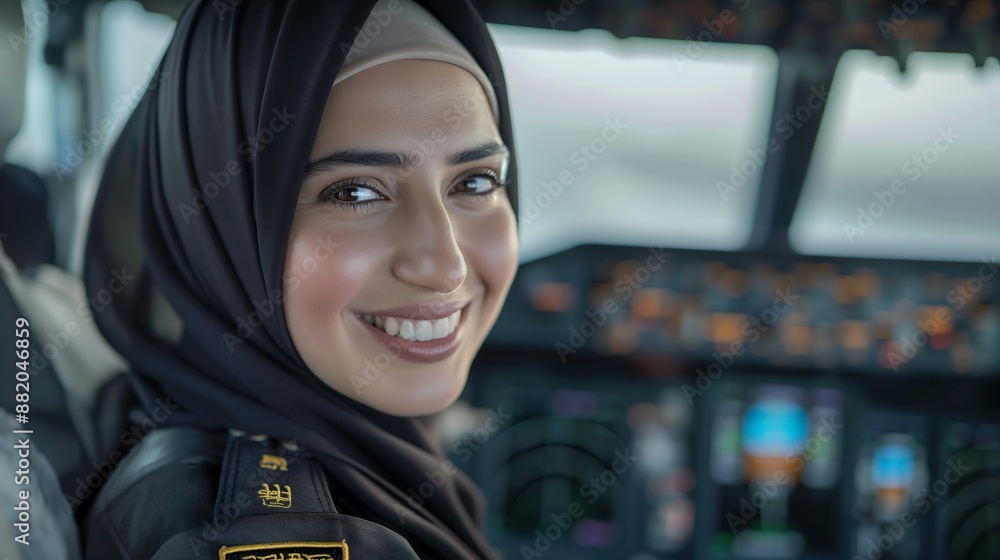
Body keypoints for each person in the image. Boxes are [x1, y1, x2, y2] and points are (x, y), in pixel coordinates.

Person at [82, 0, 519, 558]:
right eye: (355, 192)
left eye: (476, 182)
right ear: (224, 227)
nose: (446, 266)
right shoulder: (244, 536)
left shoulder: (167, 409)